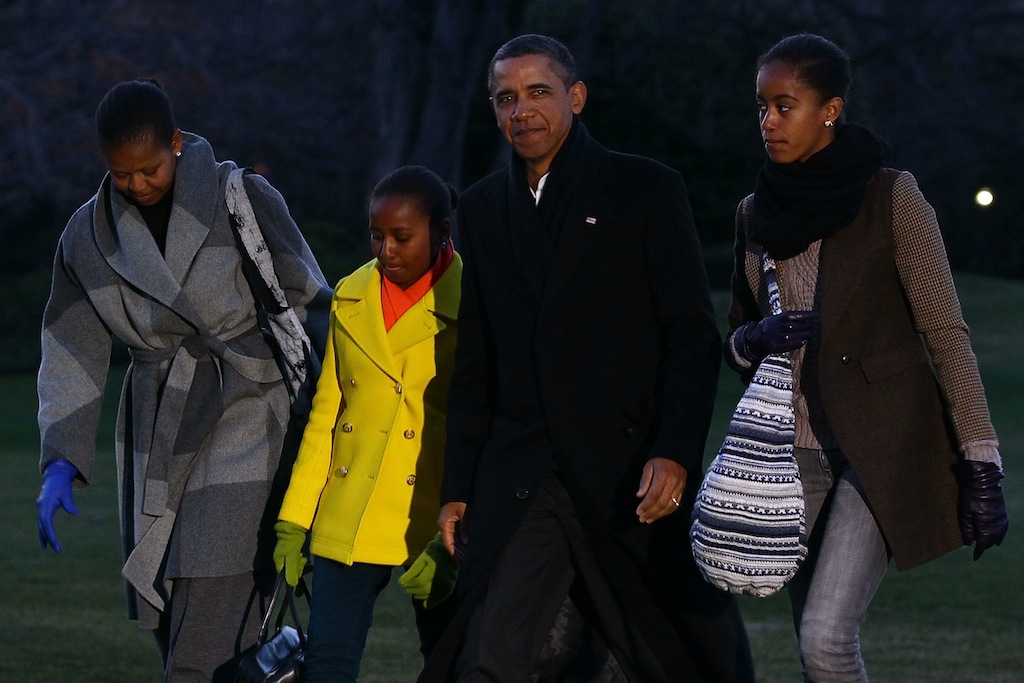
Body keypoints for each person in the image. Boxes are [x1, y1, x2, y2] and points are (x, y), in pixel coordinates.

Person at [420, 34, 755, 682]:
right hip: (524, 475)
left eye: (537, 92)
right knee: (490, 656)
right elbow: (476, 363)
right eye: (505, 98)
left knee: (668, 655)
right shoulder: (483, 209)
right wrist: (458, 488)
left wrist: (675, 451)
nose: (522, 110)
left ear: (575, 96)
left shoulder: (646, 189)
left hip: (626, 474)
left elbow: (691, 336)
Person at [725, 33, 1009, 681]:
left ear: (830, 110)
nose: (767, 120)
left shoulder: (890, 196)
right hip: (790, 456)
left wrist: (982, 462)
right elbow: (737, 338)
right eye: (761, 106)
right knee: (809, 642)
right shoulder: (753, 211)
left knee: (827, 638)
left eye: (784, 105)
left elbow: (945, 333)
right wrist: (754, 340)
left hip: (883, 447)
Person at [35, 79, 331, 682]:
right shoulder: (87, 239)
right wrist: (60, 462)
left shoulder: (241, 198)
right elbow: (72, 348)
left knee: (207, 602)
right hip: (160, 429)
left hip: (252, 407)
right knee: (179, 611)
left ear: (175, 143)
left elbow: (312, 302)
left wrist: (333, 422)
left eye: (150, 169)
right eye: (122, 175)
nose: (138, 185)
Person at [273, 165, 462, 682]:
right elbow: (327, 414)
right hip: (349, 510)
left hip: (435, 518)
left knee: (454, 665)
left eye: (402, 237)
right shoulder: (351, 295)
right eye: (376, 236)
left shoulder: (474, 300)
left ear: (442, 233)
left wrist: (463, 534)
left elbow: (483, 426)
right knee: (328, 666)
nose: (386, 251)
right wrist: (295, 519)